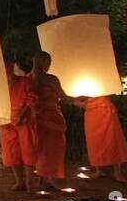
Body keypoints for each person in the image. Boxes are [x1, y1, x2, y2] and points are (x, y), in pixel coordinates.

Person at [24, 52, 87, 191]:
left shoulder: (26, 79)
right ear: (43, 62)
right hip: (51, 116)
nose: (49, 65)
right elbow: (63, 97)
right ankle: (47, 180)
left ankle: (42, 179)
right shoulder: (50, 79)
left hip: (34, 118)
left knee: (39, 148)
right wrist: (80, 98)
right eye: (49, 62)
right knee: (53, 149)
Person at [0, 59, 36, 191]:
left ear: (11, 67)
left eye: (7, 67)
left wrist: (22, 114)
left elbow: (32, 98)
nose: (5, 70)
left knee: (28, 149)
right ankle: (19, 181)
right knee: (11, 151)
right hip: (5, 120)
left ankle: (29, 182)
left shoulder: (24, 82)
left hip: (24, 119)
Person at [75, 96, 127, 182]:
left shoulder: (105, 85)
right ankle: (99, 170)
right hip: (91, 113)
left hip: (106, 110)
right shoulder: (82, 84)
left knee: (112, 139)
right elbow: (76, 100)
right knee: (94, 141)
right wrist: (79, 102)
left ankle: (117, 172)